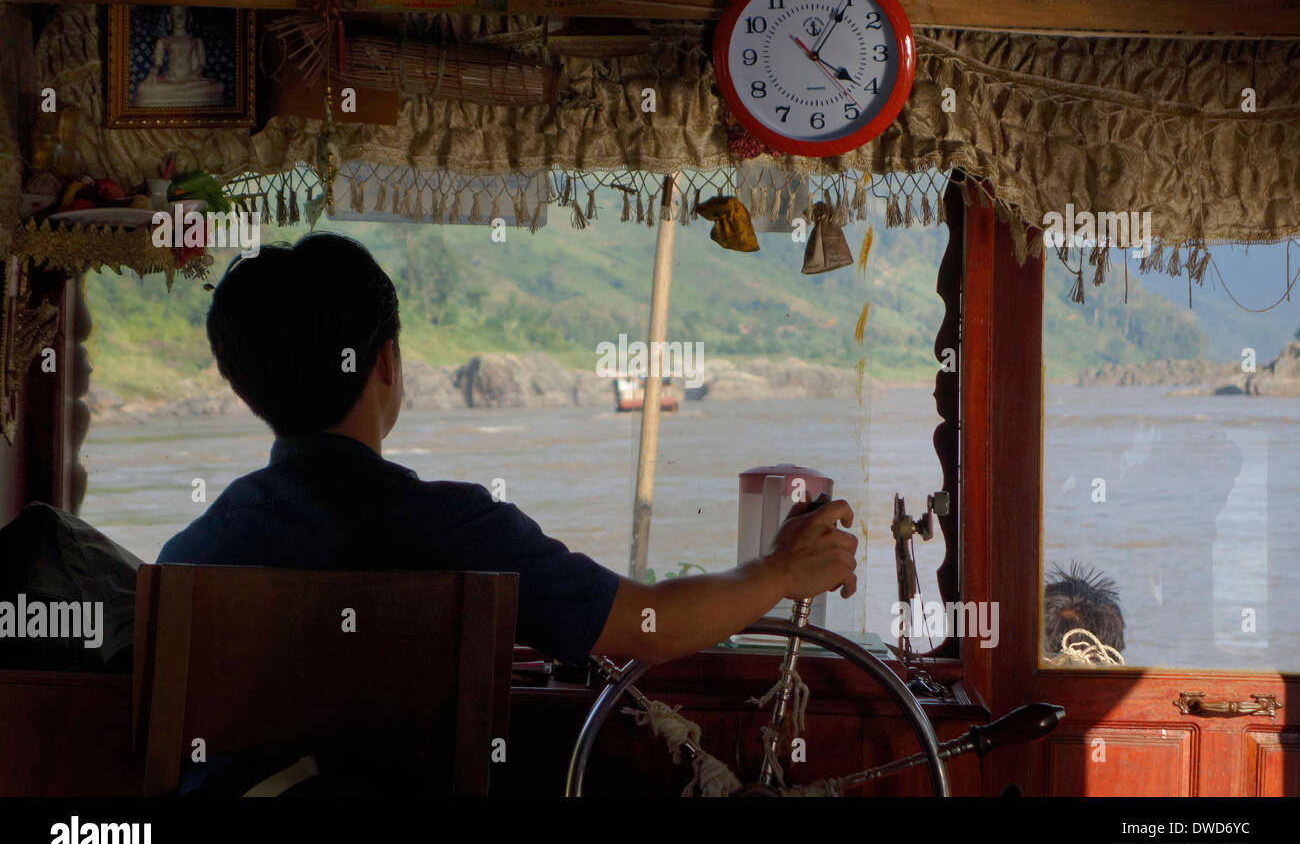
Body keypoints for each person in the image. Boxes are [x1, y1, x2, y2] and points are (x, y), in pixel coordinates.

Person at [158, 232, 858, 666]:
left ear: (242, 382)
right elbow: (651, 625)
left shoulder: (192, 554)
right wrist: (780, 572)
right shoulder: (458, 530)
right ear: (386, 365)